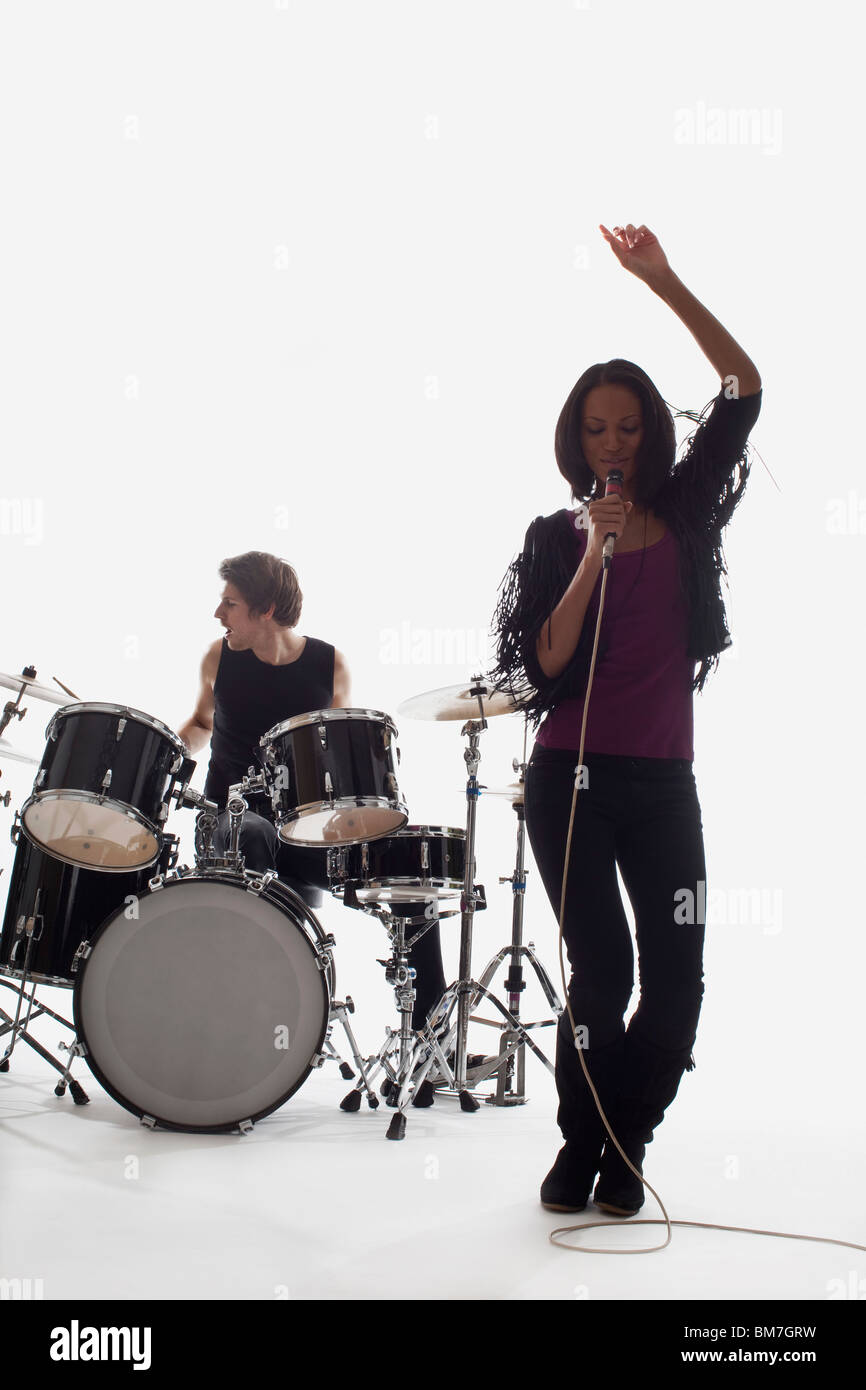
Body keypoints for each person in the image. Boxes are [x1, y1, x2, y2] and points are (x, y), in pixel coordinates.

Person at [490, 223, 762, 1216]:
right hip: (568, 781)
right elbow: (542, 663)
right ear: (576, 439)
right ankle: (578, 1149)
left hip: (660, 783)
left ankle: (624, 1140)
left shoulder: (689, 513)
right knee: (599, 975)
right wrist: (593, 556)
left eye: (627, 426)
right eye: (594, 430)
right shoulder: (551, 537)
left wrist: (663, 281)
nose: (611, 443)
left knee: (678, 978)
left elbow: (742, 389)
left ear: (648, 430)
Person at [177, 550, 447, 1052]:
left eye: (230, 604)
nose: (218, 614)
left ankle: (431, 1040)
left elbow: (346, 758)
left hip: (308, 831)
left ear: (267, 609)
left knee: (414, 864)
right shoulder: (219, 656)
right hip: (229, 820)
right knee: (253, 832)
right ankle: (258, 1019)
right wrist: (166, 761)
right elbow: (200, 723)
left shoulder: (330, 663)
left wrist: (352, 821)